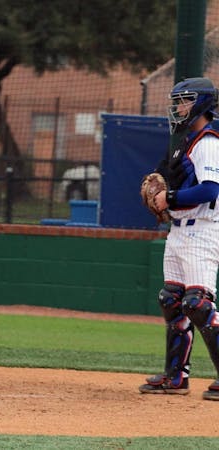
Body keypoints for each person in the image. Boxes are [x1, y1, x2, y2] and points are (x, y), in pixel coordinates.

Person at [139, 77, 219, 400]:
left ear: (201, 103)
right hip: (178, 231)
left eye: (184, 101)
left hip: (203, 230)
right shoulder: (184, 140)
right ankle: (176, 378)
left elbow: (210, 189)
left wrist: (169, 197)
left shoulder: (209, 141)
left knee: (198, 304)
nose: (178, 108)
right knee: (171, 300)